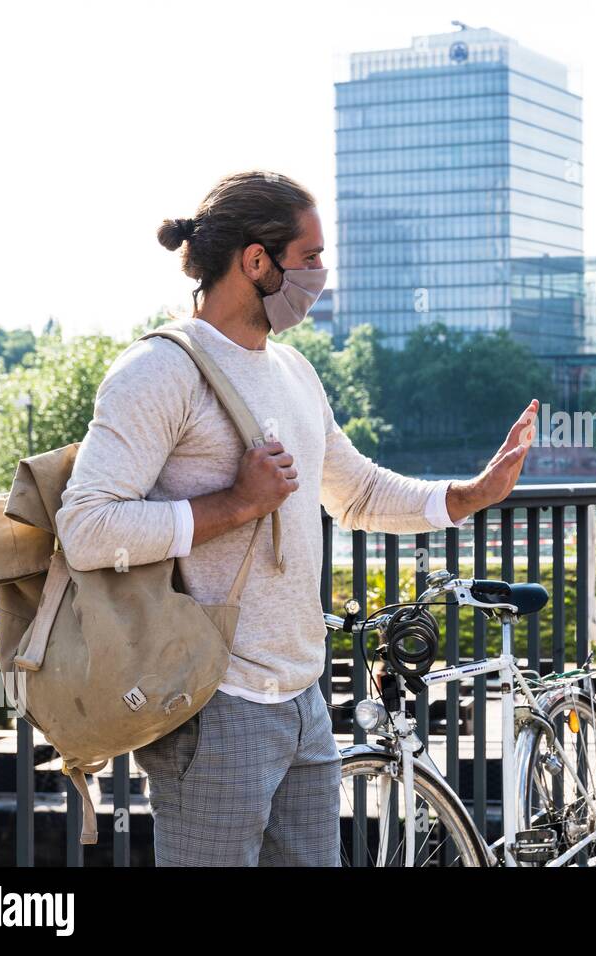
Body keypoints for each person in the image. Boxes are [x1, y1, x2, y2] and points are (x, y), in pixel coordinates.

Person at [56, 170, 537, 865]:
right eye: (309, 258)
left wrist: (467, 496)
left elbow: (357, 493)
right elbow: (88, 528)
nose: (321, 275)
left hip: (304, 697)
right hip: (212, 699)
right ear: (257, 261)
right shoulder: (158, 371)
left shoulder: (293, 373)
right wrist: (236, 504)